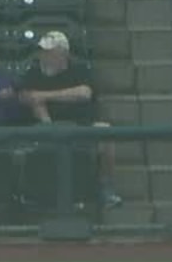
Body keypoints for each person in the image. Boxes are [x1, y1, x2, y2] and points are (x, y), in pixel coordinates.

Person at [20, 31, 121, 208]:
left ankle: (105, 188)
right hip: (48, 128)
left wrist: (46, 95)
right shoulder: (33, 74)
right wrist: (47, 123)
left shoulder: (80, 70)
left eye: (50, 52)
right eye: (43, 51)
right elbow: (31, 99)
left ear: (63, 53)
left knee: (105, 131)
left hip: (81, 125)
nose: (44, 56)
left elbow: (84, 93)